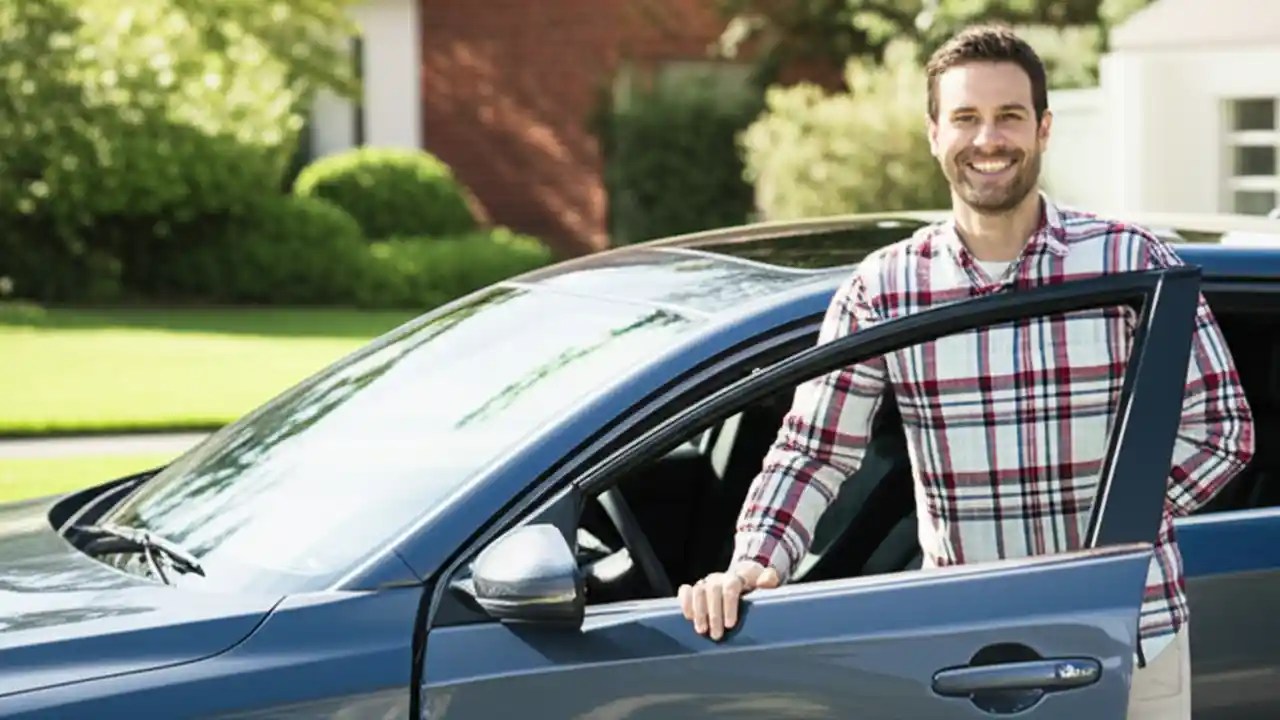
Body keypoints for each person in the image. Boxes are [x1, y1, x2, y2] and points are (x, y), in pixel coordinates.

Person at [676, 23, 1255, 719]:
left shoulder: (1132, 264)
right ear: (933, 134)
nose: (989, 140)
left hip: (1131, 637)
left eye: (1009, 116)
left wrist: (1112, 531)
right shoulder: (887, 288)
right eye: (966, 118)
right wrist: (753, 563)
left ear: (1043, 128)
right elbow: (815, 450)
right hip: (970, 655)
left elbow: (1221, 431)